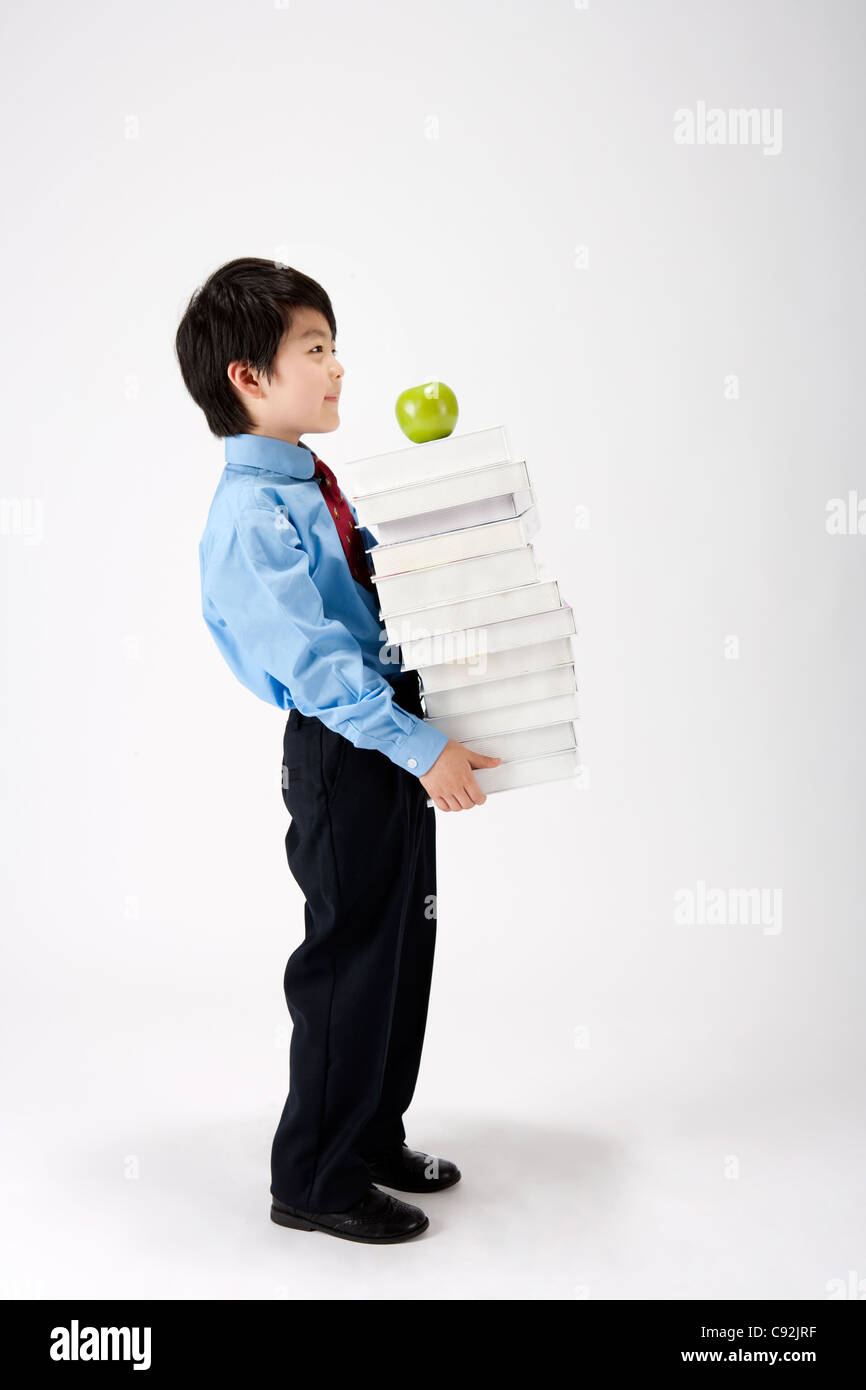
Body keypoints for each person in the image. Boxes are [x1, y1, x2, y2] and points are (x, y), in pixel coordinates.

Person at [174, 258, 501, 1244]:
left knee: (403, 945)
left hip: (383, 734)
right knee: (349, 959)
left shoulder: (314, 483)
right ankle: (313, 1175)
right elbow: (317, 670)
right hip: (343, 747)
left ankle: (368, 1135)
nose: (336, 368)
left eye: (331, 346)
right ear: (249, 377)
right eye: (312, 349)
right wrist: (415, 745)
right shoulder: (250, 517)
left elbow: (367, 602)